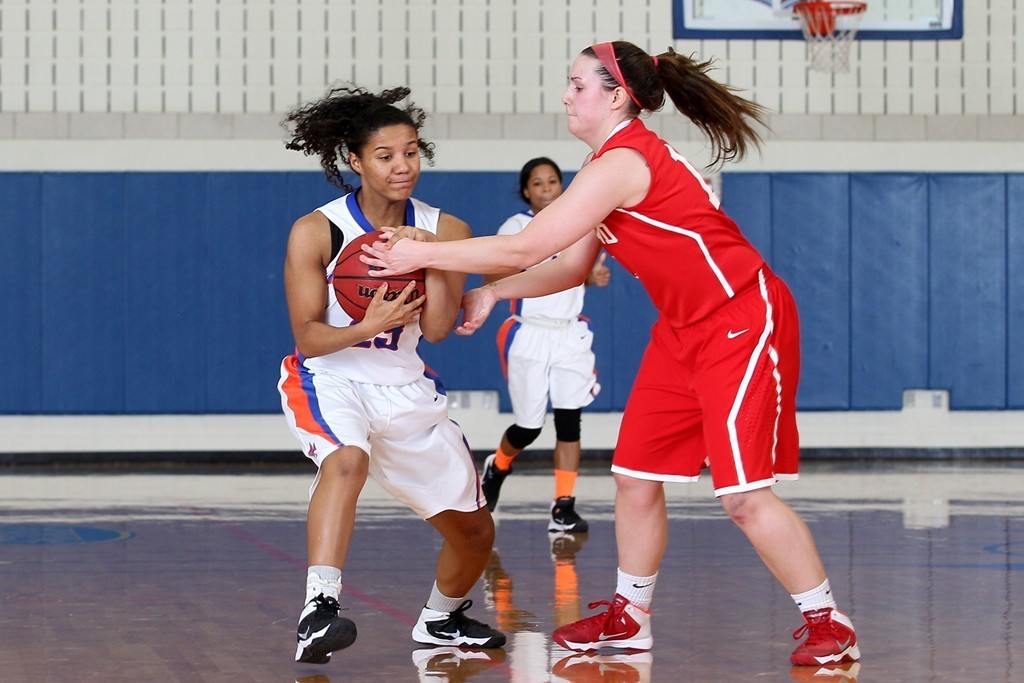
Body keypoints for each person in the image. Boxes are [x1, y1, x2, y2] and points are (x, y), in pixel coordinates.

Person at [362, 42, 860, 668]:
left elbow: (527, 246)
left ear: (617, 95)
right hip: (683, 331)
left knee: (742, 495)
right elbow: (567, 265)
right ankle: (631, 617)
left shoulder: (625, 161)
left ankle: (828, 621)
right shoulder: (604, 165)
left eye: (577, 85)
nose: (566, 96)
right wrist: (491, 293)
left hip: (740, 318)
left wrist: (423, 253)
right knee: (634, 477)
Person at [276, 84, 505, 665]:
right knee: (346, 459)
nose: (403, 167)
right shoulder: (317, 230)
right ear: (355, 161)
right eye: (386, 156)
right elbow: (308, 335)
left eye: (411, 152)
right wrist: (366, 323)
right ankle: (318, 611)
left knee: (476, 533)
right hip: (330, 375)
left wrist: (431, 256)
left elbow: (435, 330)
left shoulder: (445, 228)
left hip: (404, 383)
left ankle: (440, 621)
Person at [480, 156, 611, 533]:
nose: (546, 189)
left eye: (552, 181)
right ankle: (499, 464)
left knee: (570, 422)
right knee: (530, 426)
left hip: (570, 335)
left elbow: (569, 273)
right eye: (538, 183)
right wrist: (525, 263)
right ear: (527, 191)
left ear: (561, 186)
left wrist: (589, 277)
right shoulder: (516, 228)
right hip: (530, 332)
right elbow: (493, 272)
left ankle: (563, 506)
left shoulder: (579, 227)